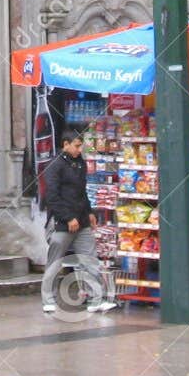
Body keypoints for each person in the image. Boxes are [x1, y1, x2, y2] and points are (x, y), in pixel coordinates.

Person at [40, 128, 115, 314]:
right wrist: (67, 217)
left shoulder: (80, 163)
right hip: (61, 223)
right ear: (66, 144)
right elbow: (51, 196)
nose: (79, 150)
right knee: (55, 262)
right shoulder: (55, 165)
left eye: (81, 146)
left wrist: (89, 212)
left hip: (81, 220)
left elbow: (82, 191)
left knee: (90, 260)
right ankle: (48, 300)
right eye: (77, 146)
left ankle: (96, 299)